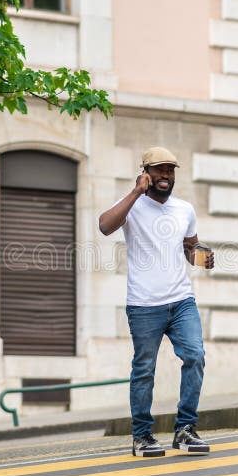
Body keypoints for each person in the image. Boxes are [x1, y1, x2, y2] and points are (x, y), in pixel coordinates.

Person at [98, 146, 214, 457]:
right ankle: (142, 436)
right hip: (144, 305)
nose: (166, 175)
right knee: (144, 369)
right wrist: (136, 192)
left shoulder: (184, 210)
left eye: (170, 170)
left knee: (195, 356)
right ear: (146, 173)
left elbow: (190, 249)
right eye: (159, 170)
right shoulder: (131, 206)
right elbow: (105, 225)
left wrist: (202, 256)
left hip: (181, 301)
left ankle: (185, 429)